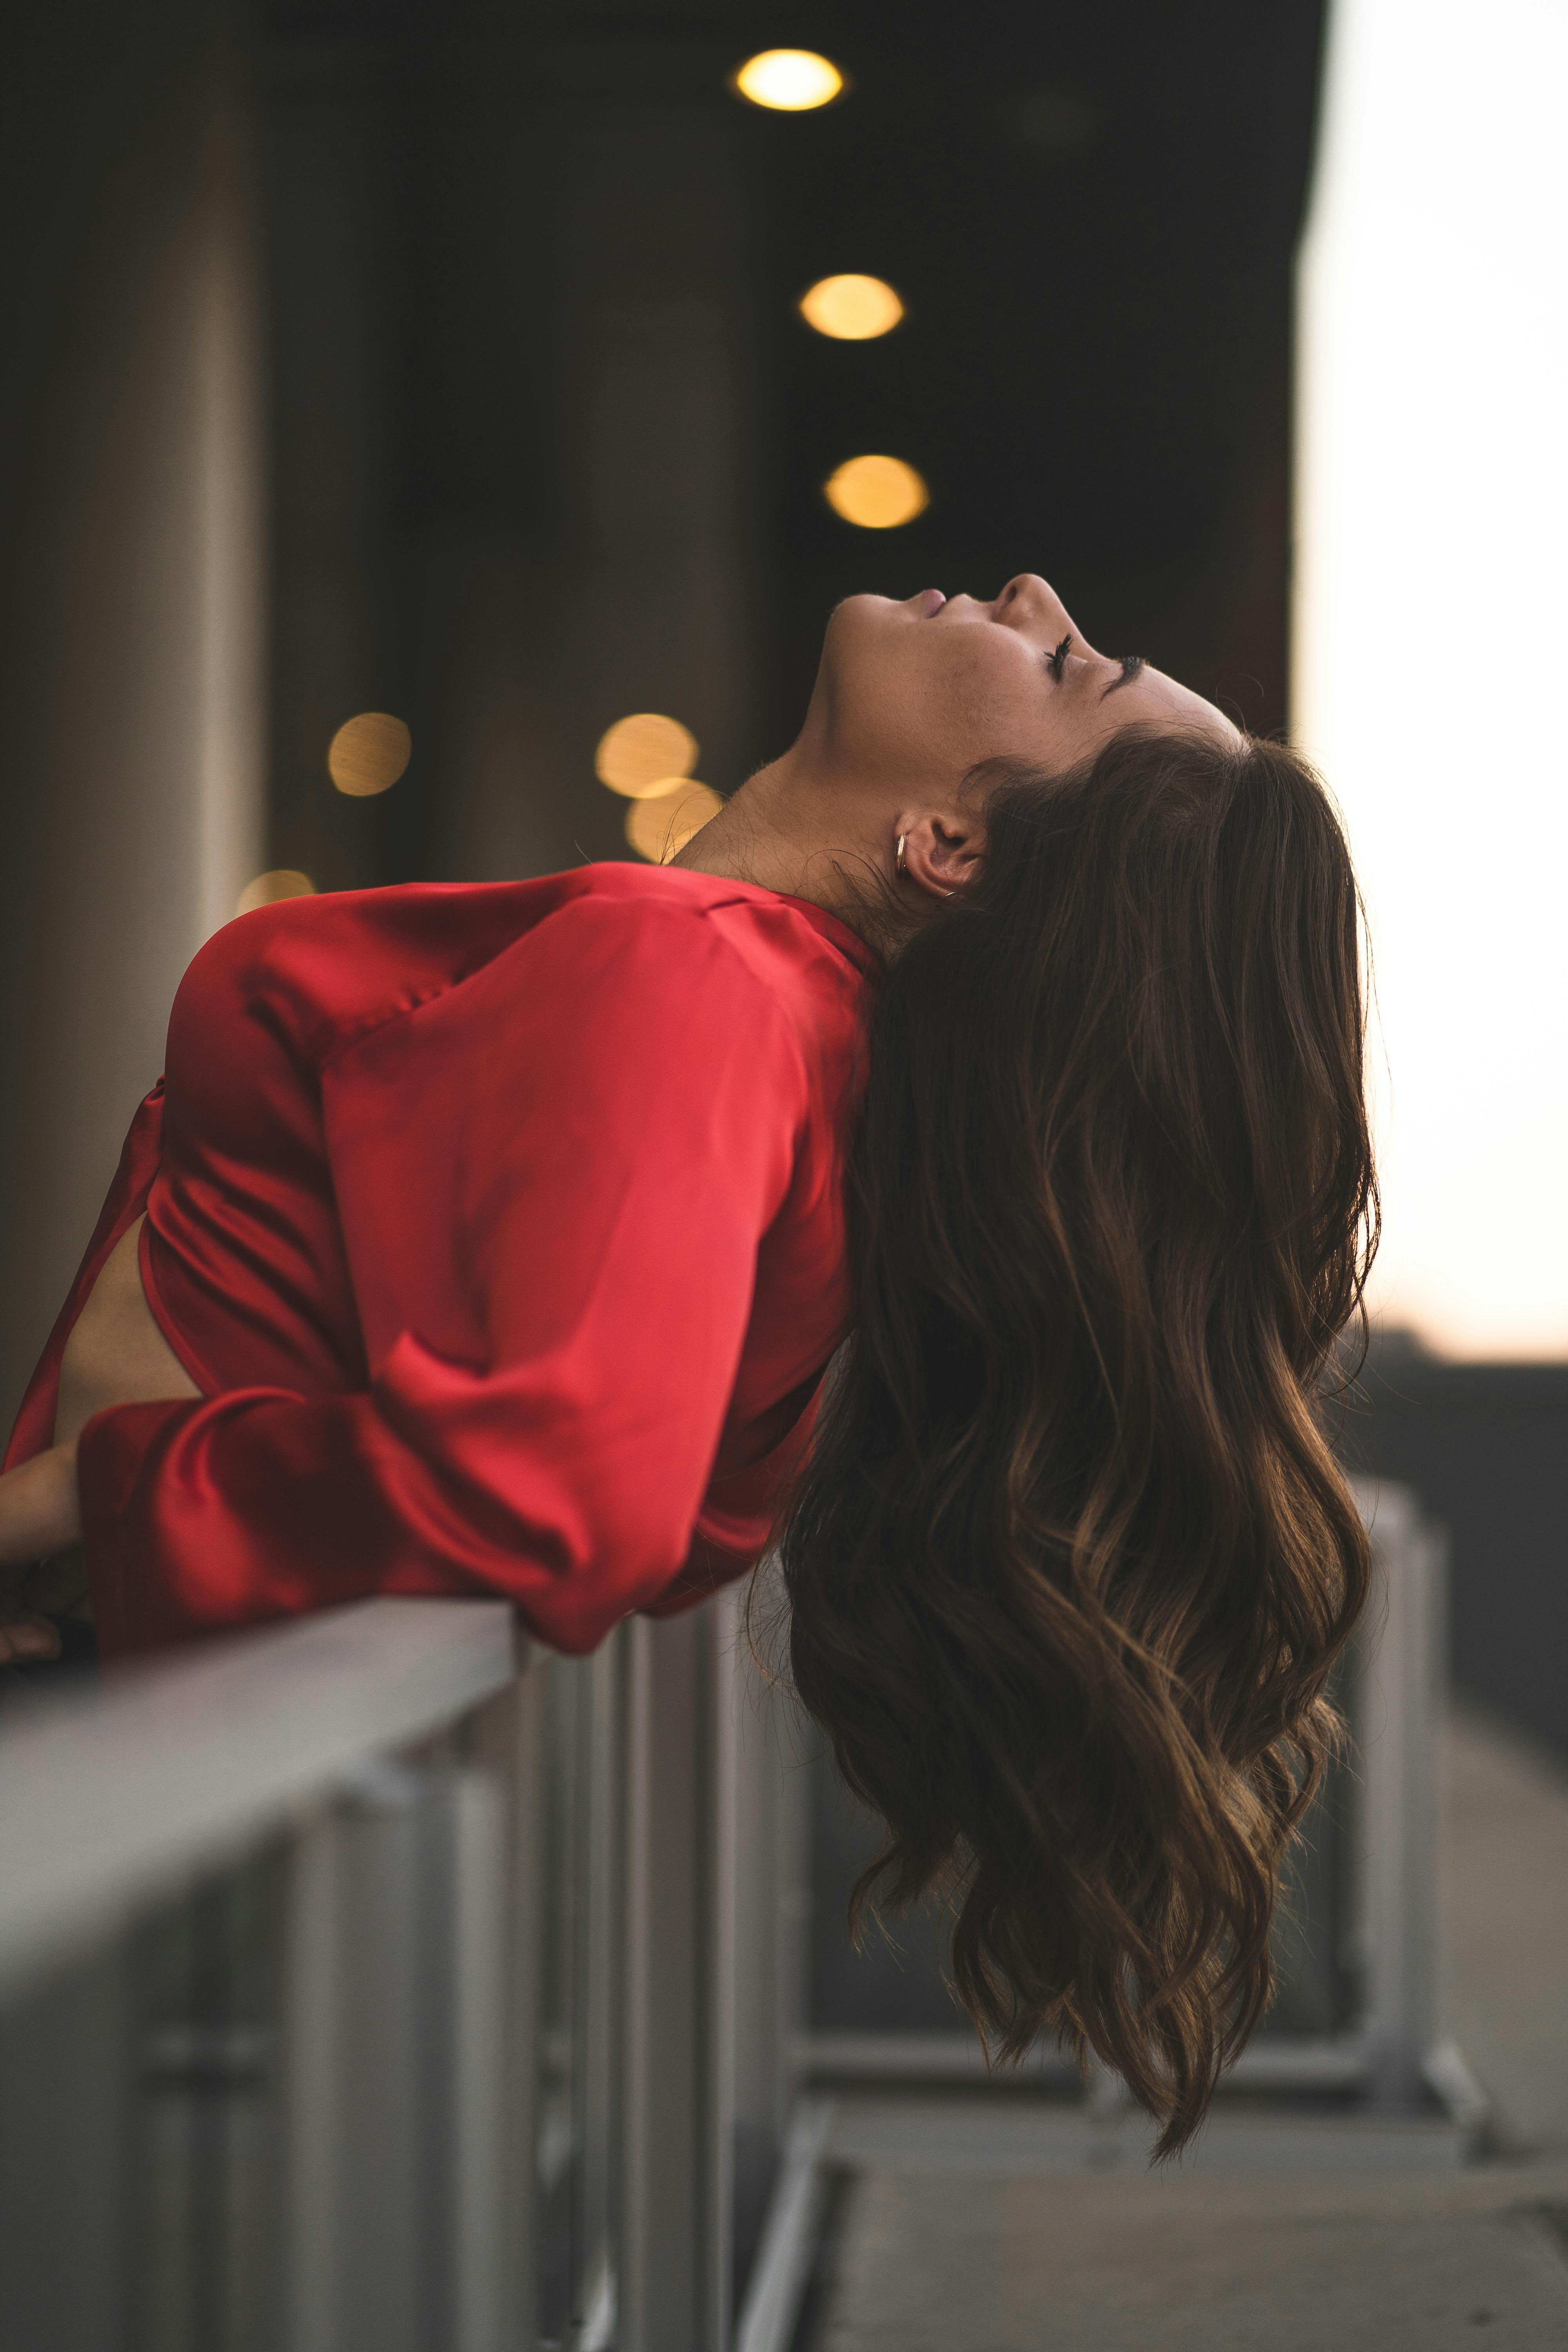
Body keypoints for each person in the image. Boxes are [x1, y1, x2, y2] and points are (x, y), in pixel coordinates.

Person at [0, 574, 1377, 2152]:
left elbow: (570, 1494)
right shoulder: (796, 1038)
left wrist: (70, 1506)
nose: (1028, 595)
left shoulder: (699, 984)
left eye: (1062, 664)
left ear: (947, 845)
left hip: (113, 1753)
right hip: (186, 1773)